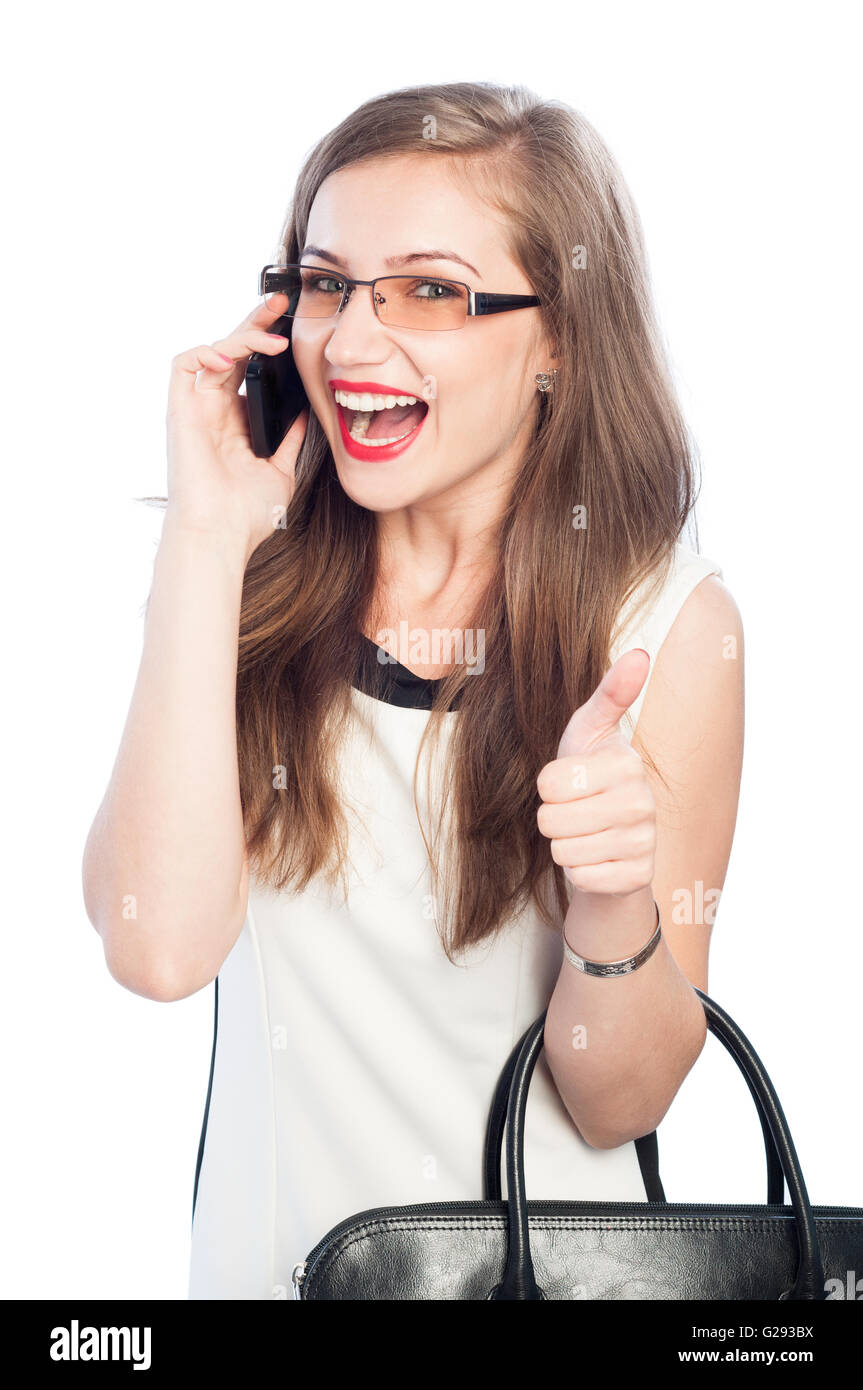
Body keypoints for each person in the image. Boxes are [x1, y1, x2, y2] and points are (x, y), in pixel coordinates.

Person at [81, 81, 744, 1301]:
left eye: (429, 290)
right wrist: (203, 540)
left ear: (557, 339)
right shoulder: (236, 585)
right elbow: (157, 948)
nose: (349, 343)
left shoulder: (666, 626)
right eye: (326, 284)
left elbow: (620, 1102)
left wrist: (610, 899)